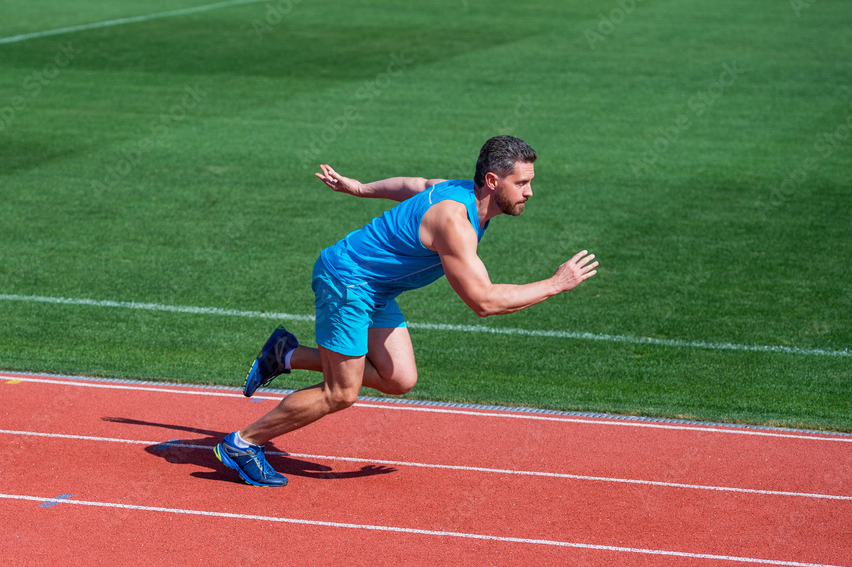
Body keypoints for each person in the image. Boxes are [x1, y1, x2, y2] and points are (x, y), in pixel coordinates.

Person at [214, 136, 598, 486]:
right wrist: (555, 283)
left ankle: (286, 354)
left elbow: (414, 185)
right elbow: (483, 302)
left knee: (399, 379)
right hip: (348, 281)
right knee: (341, 393)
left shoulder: (458, 189)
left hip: (378, 288)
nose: (530, 192)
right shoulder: (455, 223)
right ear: (494, 181)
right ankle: (242, 444)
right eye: (522, 183)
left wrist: (360, 188)